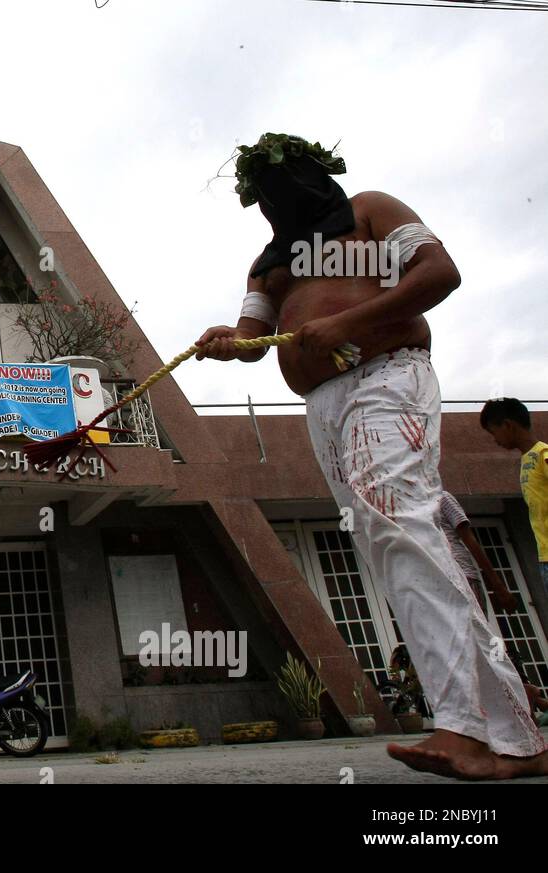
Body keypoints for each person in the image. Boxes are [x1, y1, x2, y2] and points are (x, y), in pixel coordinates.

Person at [196, 133, 546, 779]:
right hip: (323, 404)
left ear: (316, 174)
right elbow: (250, 340)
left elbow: (440, 273)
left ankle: (463, 725)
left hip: (389, 374)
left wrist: (351, 324)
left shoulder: (370, 210)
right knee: (394, 543)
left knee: (401, 525)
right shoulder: (267, 262)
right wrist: (227, 340)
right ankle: (513, 735)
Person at [480, 397, 548, 600]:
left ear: (508, 425)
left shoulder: (542, 453)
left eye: (494, 432)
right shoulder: (526, 458)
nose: (495, 440)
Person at [435, 490, 518, 613]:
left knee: (476, 628)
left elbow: (469, 539)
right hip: (434, 580)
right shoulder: (407, 507)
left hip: (462, 576)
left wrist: (498, 586)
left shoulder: (441, 498)